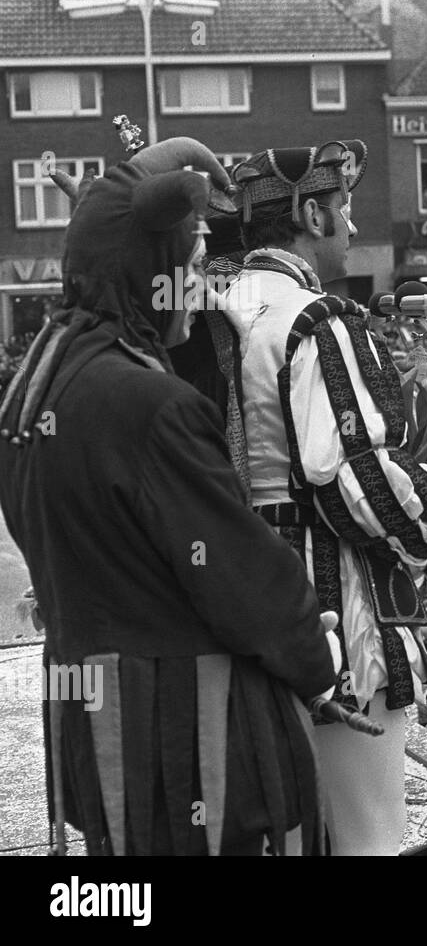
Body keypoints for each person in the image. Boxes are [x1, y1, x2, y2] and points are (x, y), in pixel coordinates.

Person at [0, 138, 338, 855]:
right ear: (149, 269)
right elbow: (241, 575)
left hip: (101, 737)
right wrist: (317, 654)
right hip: (182, 743)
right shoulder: (151, 405)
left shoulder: (33, 388)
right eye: (189, 267)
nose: (201, 287)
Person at [219, 140, 427, 854]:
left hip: (231, 602)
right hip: (329, 614)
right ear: (310, 211)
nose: (353, 228)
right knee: (368, 837)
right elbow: (356, 485)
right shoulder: (318, 318)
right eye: (344, 209)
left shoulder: (212, 306)